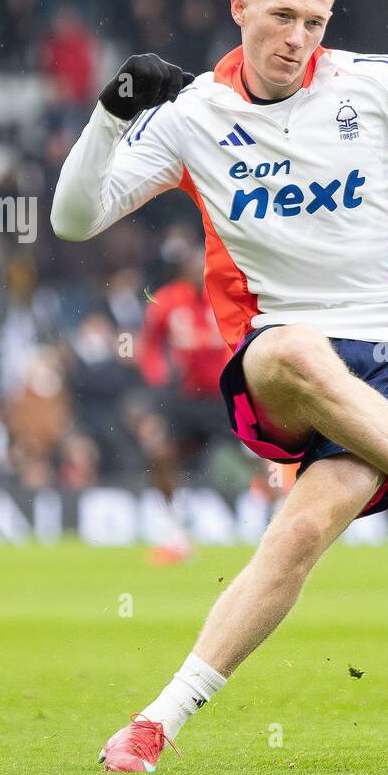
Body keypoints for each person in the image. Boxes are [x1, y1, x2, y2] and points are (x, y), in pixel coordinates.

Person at [51, 0, 388, 772]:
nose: (297, 37)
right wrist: (111, 113)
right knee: (290, 347)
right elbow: (77, 219)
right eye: (282, 15)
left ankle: (155, 722)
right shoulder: (190, 117)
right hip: (277, 351)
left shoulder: (374, 84)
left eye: (314, 21)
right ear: (239, 9)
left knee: (297, 538)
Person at [136, 240, 233, 565]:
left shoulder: (226, 295)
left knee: (263, 457)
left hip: (227, 395)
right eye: (192, 264)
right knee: (162, 458)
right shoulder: (166, 301)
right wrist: (158, 377)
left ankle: (287, 520)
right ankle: (175, 536)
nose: (198, 270)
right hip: (187, 399)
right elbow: (149, 346)